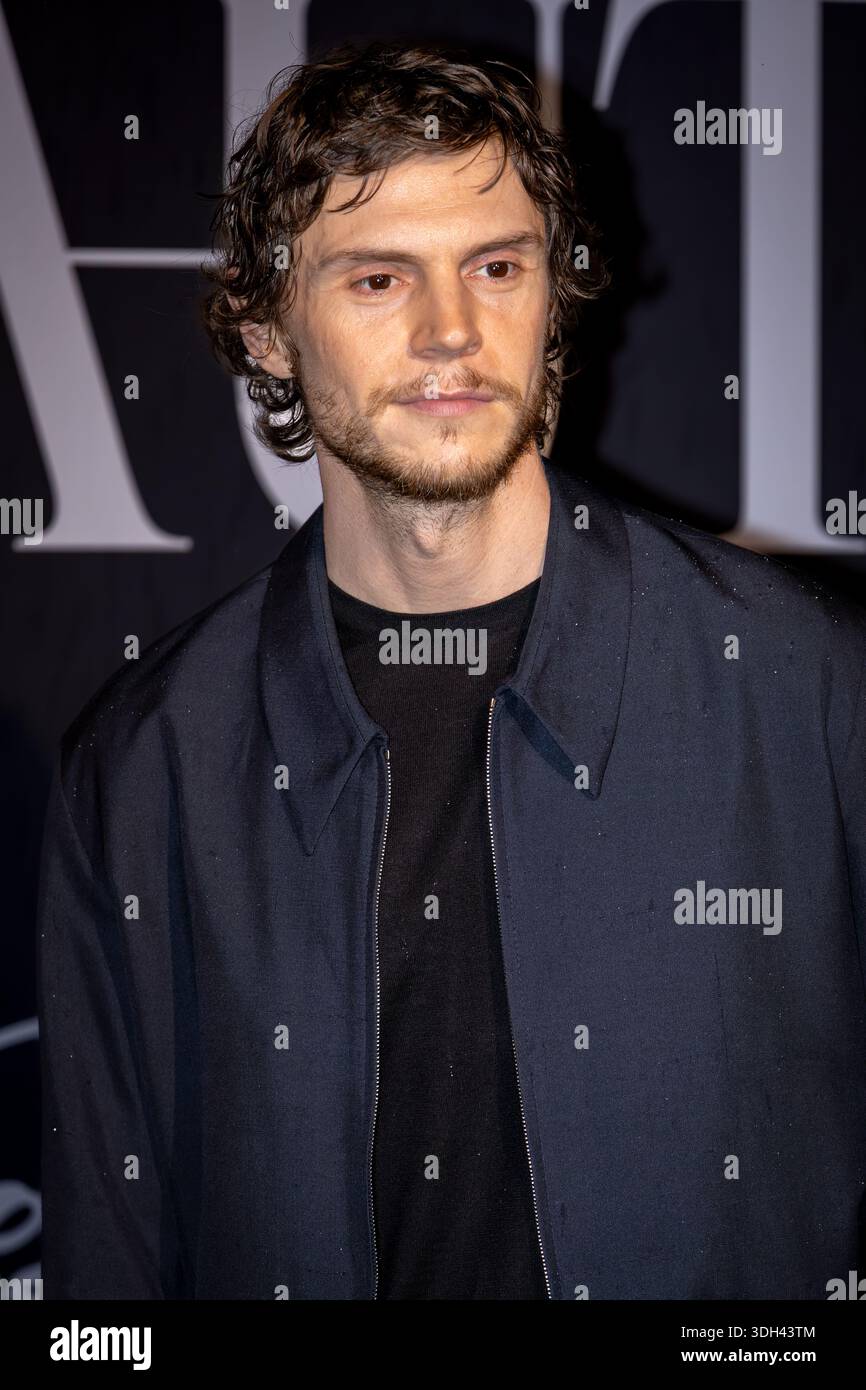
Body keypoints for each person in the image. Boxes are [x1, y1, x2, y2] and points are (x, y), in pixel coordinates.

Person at [37, 40, 866, 1301]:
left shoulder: (807, 689)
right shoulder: (146, 767)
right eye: (377, 279)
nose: (450, 331)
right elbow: (105, 1289)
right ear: (265, 330)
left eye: (495, 266)